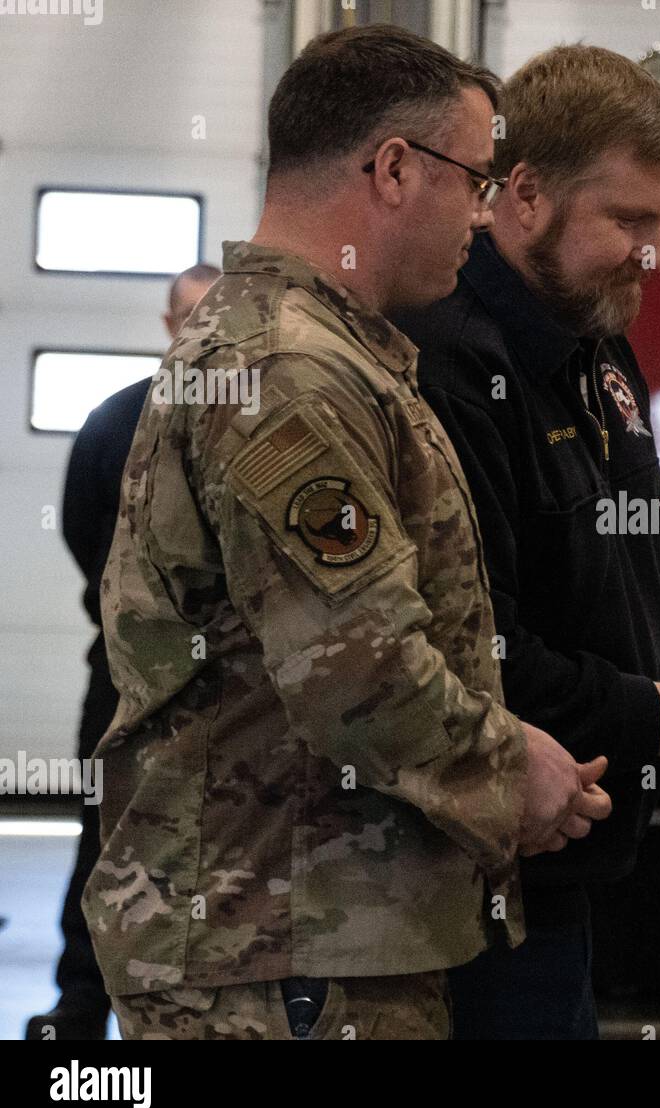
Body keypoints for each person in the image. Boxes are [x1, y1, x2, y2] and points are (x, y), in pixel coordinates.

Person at [83, 24, 608, 1042]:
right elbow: (356, 670)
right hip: (281, 951)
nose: (487, 212)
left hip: (303, 940)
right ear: (395, 169)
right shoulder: (292, 368)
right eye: (476, 178)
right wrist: (512, 771)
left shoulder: (325, 353)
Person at [394, 44, 660, 1039]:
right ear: (523, 194)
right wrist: (659, 715)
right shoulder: (448, 365)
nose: (652, 251)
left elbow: (646, 552)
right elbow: (470, 655)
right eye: (628, 219)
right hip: (462, 887)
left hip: (574, 868)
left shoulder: (600, 351)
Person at [25, 264, 220, 1041]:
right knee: (106, 843)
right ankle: (82, 1006)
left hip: (224, 687)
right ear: (169, 327)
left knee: (215, 847)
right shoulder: (117, 423)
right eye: (191, 319)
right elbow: (83, 531)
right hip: (124, 678)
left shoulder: (255, 421)